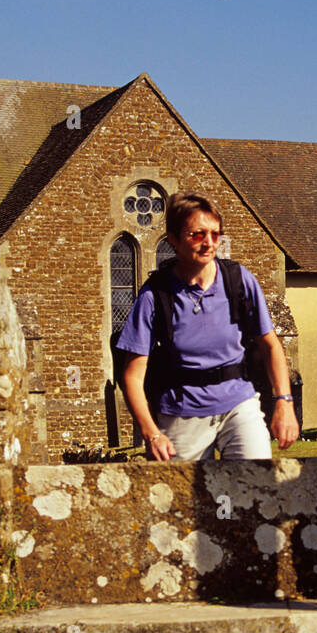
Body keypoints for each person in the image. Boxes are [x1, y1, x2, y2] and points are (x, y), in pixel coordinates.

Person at [116, 192, 300, 461]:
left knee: (255, 484)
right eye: (197, 234)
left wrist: (284, 402)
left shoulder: (239, 280)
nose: (209, 243)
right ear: (174, 240)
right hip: (181, 412)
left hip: (239, 405)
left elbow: (271, 345)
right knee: (183, 501)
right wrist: (152, 433)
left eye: (215, 234)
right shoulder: (155, 295)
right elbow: (132, 375)